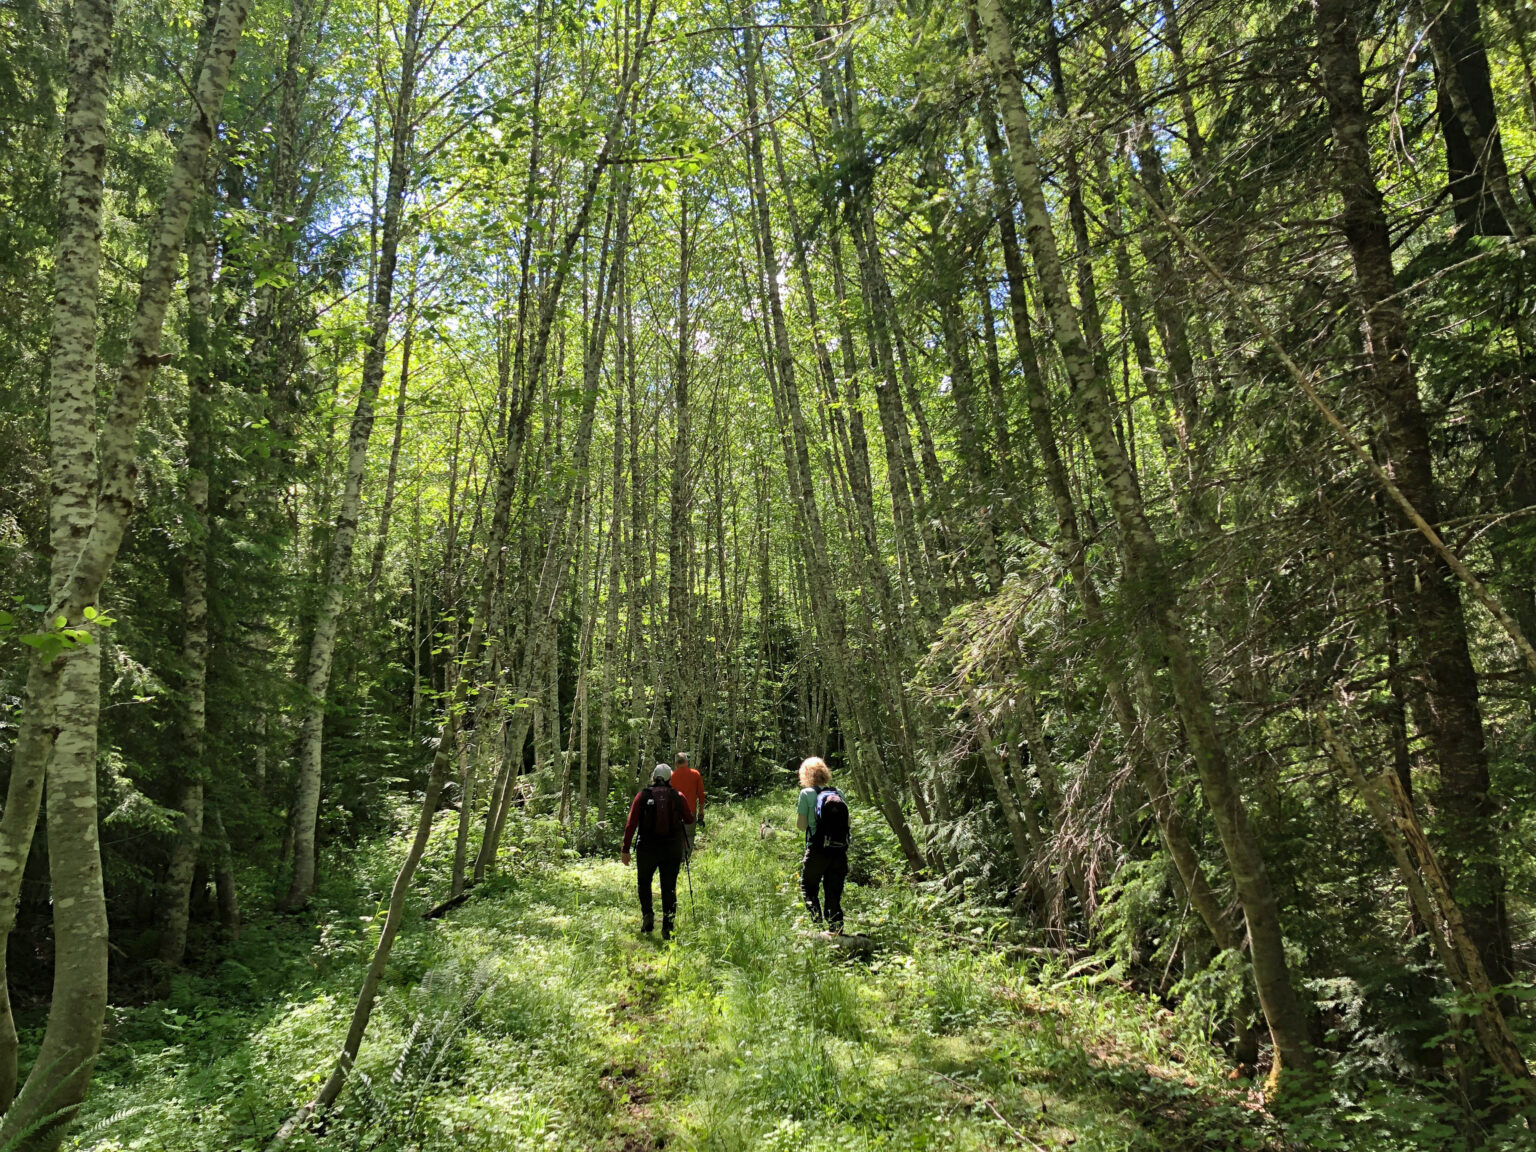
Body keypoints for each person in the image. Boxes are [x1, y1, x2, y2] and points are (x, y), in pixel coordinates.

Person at [620, 763, 694, 939]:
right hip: (672, 848)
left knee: (644, 883)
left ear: (653, 777)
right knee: (669, 887)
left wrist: (625, 849)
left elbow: (631, 824)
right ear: (669, 778)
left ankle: (648, 916)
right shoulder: (678, 796)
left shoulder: (643, 796)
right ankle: (668, 927)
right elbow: (689, 819)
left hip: (647, 847)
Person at [795, 756, 849, 932]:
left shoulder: (807, 794)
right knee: (833, 893)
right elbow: (847, 823)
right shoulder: (838, 793)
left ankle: (817, 928)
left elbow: (801, 826)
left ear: (805, 775)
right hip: (839, 851)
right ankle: (836, 931)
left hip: (817, 850)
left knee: (808, 888)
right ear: (825, 774)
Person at [669, 750, 705, 853]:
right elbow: (701, 794)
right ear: (687, 762)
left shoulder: (671, 776)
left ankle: (678, 859)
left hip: (675, 812)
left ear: (676, 763)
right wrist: (701, 810)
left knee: (677, 835)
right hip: (690, 811)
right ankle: (687, 859)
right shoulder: (695, 774)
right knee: (689, 835)